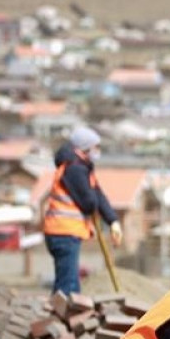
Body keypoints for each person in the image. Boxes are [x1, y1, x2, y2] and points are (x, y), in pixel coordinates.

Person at [43, 126, 122, 295]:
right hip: (63, 231)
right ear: (86, 148)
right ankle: (63, 319)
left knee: (68, 282)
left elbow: (98, 194)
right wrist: (93, 197)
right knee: (68, 286)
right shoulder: (75, 170)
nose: (97, 151)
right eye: (95, 147)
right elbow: (89, 202)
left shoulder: (82, 168)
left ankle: (64, 316)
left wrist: (113, 221)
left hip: (65, 231)